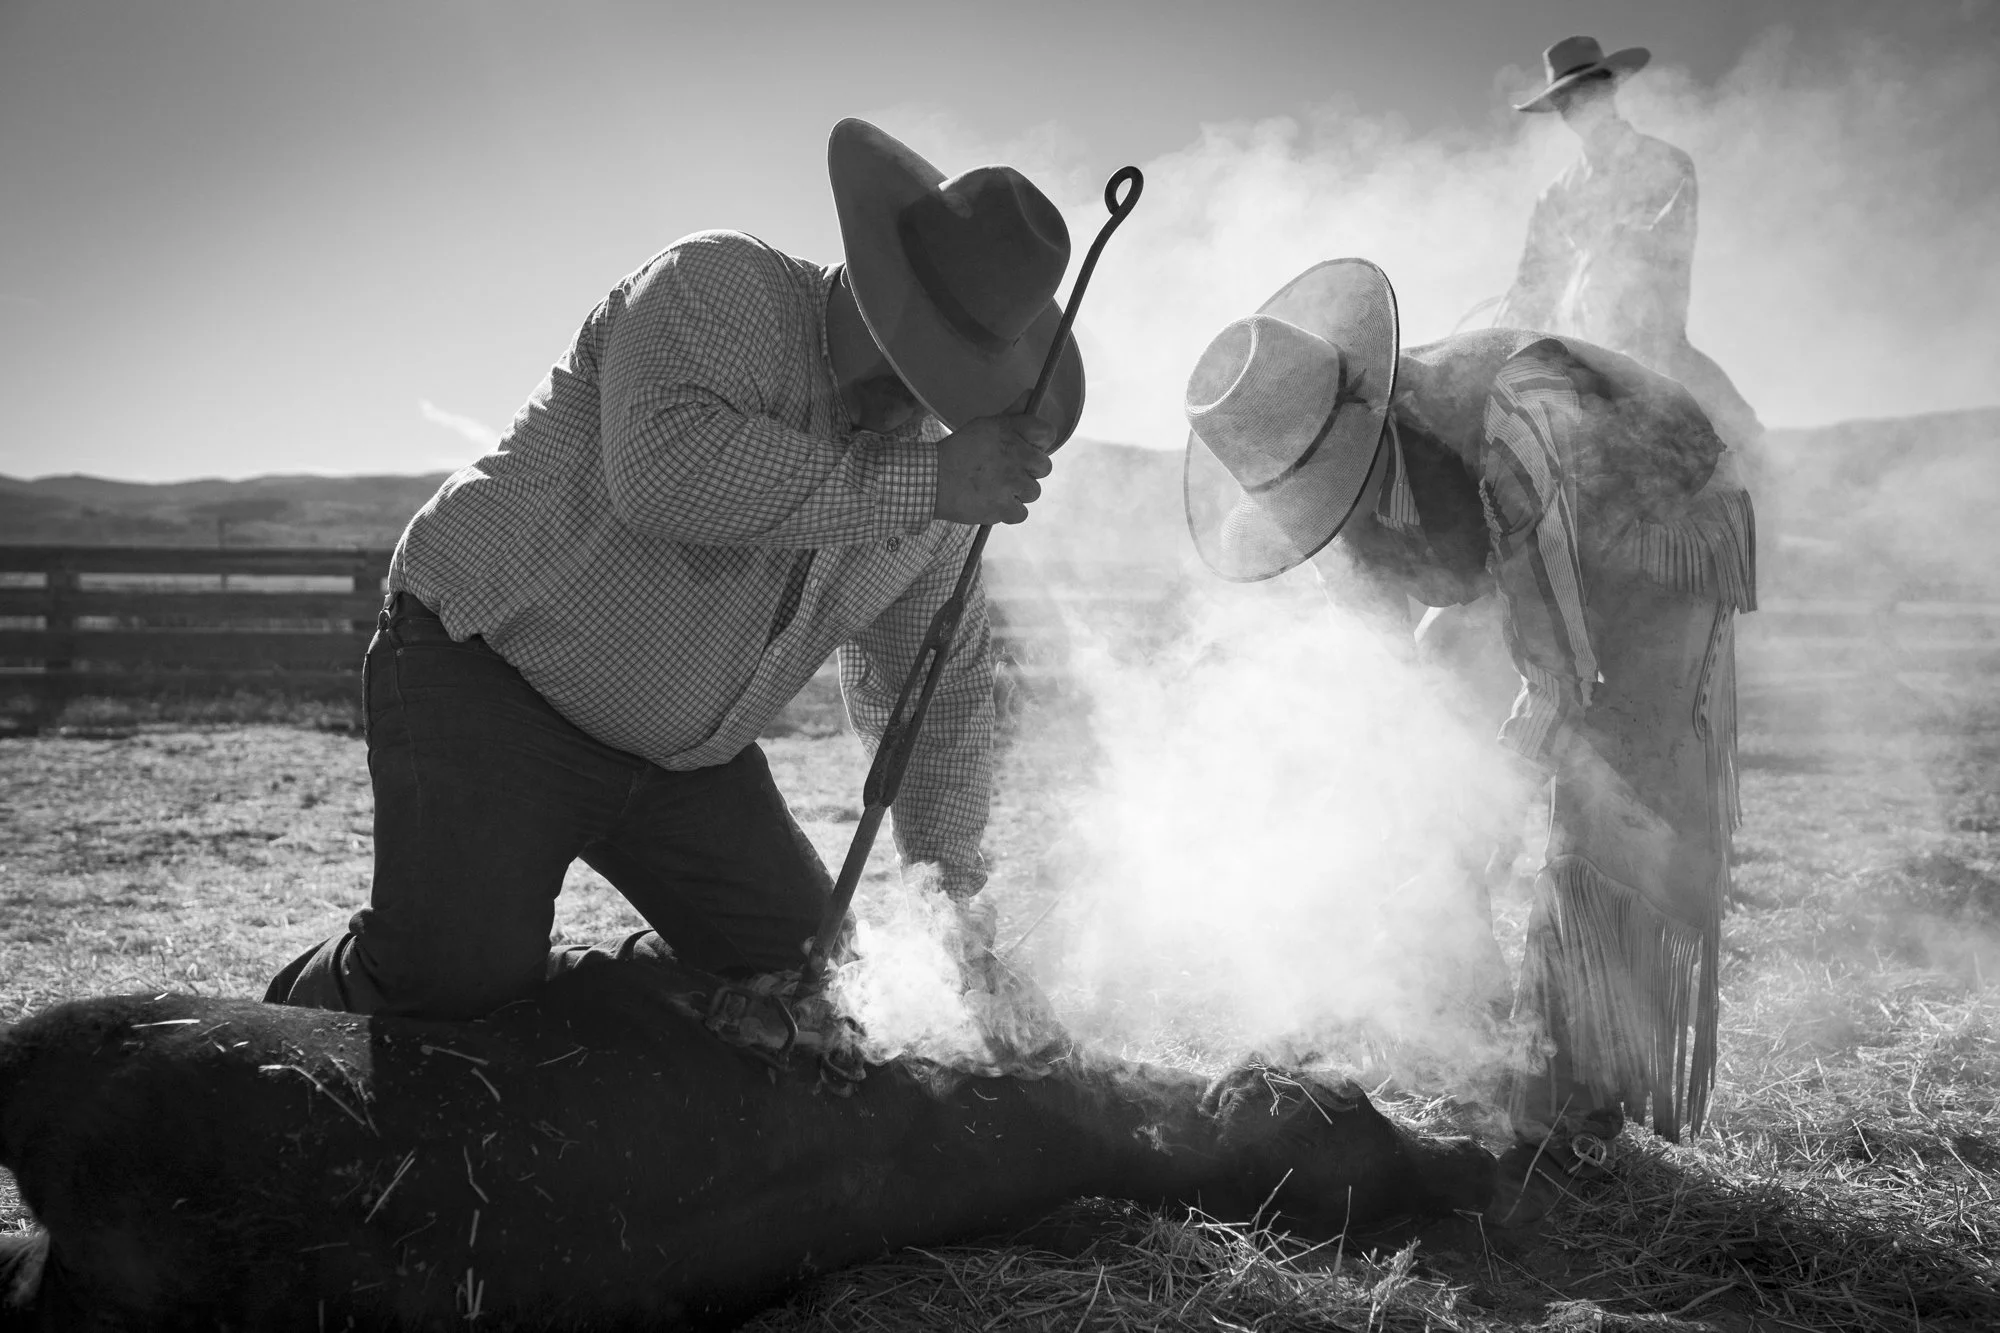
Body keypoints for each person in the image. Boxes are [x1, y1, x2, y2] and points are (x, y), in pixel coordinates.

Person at [266, 119, 1081, 1019]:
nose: (932, 391)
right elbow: (663, 475)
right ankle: (300, 1007)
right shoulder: (717, 285)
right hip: (486, 678)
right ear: (877, 283)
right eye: (924, 351)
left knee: (807, 992)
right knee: (447, 984)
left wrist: (953, 909)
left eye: (956, 371)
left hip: (688, 766)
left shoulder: (939, 474)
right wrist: (929, 481)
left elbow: (932, 690)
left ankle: (550, 990)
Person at [1182, 259, 1757, 1165]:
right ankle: (1472, 1017)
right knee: (1439, 770)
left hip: (1651, 523)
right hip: (1524, 553)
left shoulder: (1509, 415)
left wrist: (1481, 816)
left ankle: (1576, 1105)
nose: (1322, 514)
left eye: (1326, 486)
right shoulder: (1321, 508)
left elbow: (1560, 673)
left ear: (1365, 432)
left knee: (1612, 785)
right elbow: (1395, 688)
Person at [1494, 35, 1760, 453]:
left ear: (1609, 86)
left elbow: (1660, 251)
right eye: (1564, 101)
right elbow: (1533, 281)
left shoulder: (1667, 163)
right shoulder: (1555, 197)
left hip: (1658, 351)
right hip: (1580, 359)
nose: (1576, 107)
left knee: (1739, 437)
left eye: (1585, 91)